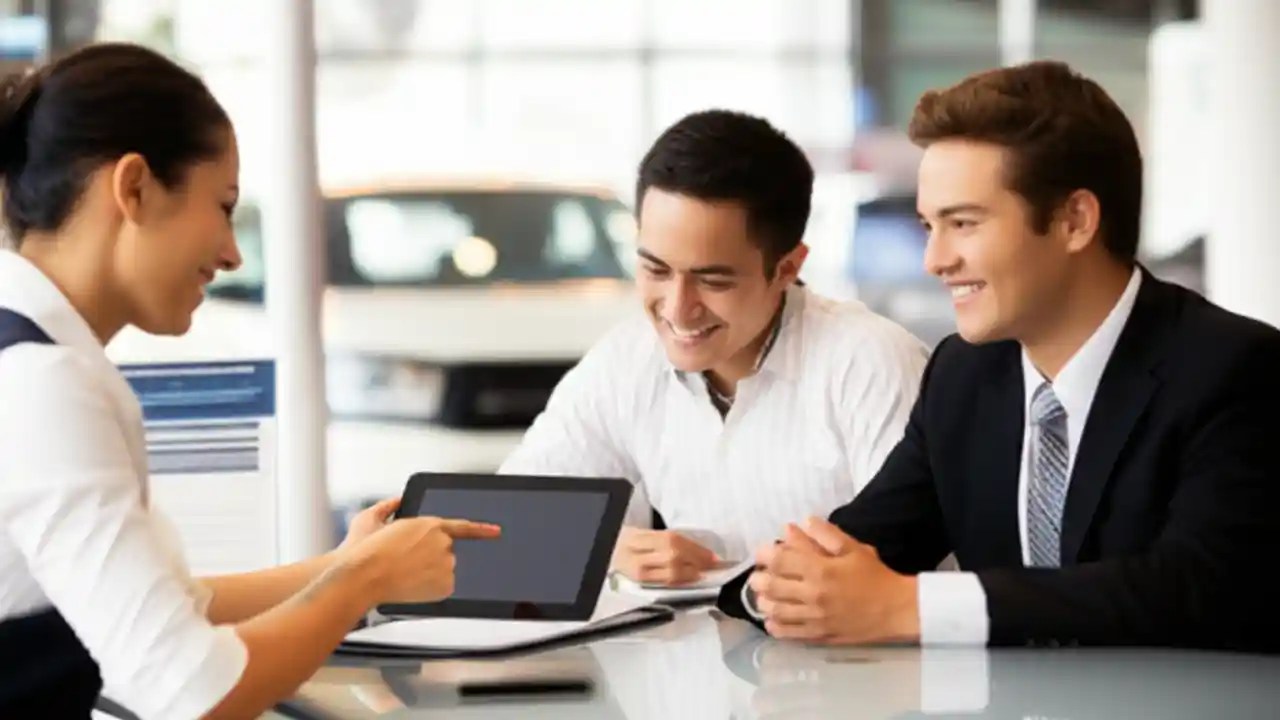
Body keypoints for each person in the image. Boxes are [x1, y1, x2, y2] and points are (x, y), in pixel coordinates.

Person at [0, 43, 500, 718]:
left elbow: (154, 605)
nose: (233, 252)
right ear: (136, 187)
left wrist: (341, 567)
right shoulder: (44, 382)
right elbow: (192, 691)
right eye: (224, 204)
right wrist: (364, 580)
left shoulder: (31, 356)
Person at [720, 60, 1280, 652]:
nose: (934, 260)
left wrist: (913, 606)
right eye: (929, 225)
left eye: (963, 223)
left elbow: (1203, 588)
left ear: (1075, 220)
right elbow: (860, 543)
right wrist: (777, 590)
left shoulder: (1236, 369)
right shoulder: (963, 376)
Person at [500, 109, 929, 585]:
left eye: (713, 280)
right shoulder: (625, 362)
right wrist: (604, 544)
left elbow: (915, 567)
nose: (679, 310)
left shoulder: (870, 362)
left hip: (851, 656)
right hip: (682, 654)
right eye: (656, 270)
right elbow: (498, 522)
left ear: (786, 269)